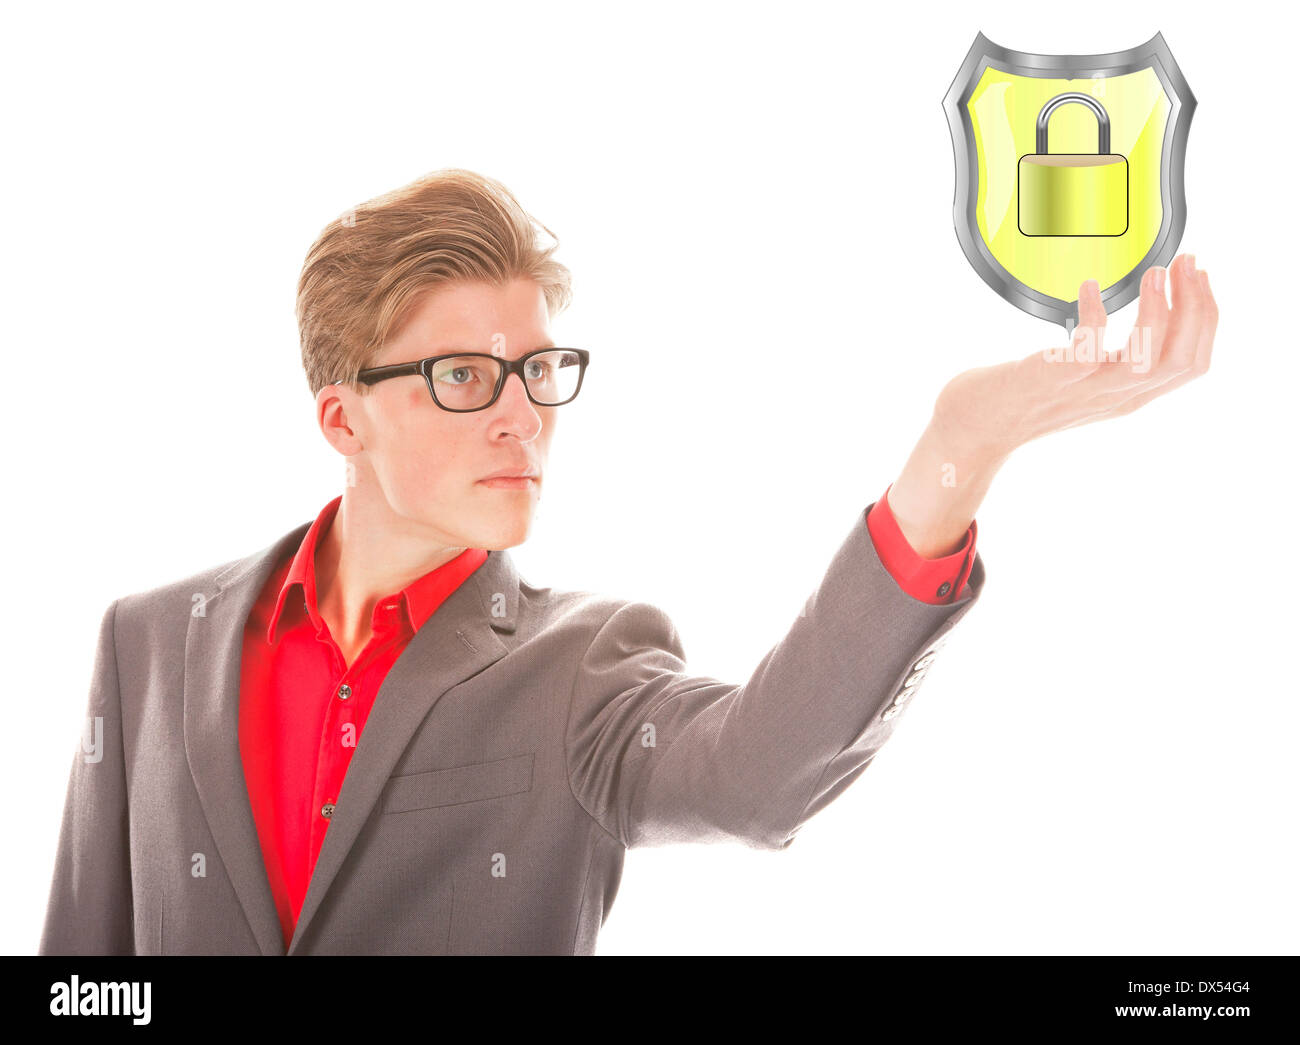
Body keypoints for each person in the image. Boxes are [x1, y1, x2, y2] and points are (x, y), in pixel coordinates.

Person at [39, 168, 1217, 955]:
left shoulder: (579, 668)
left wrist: (958, 452)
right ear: (343, 419)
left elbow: (757, 776)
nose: (522, 417)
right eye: (465, 377)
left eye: (539, 371)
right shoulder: (149, 642)